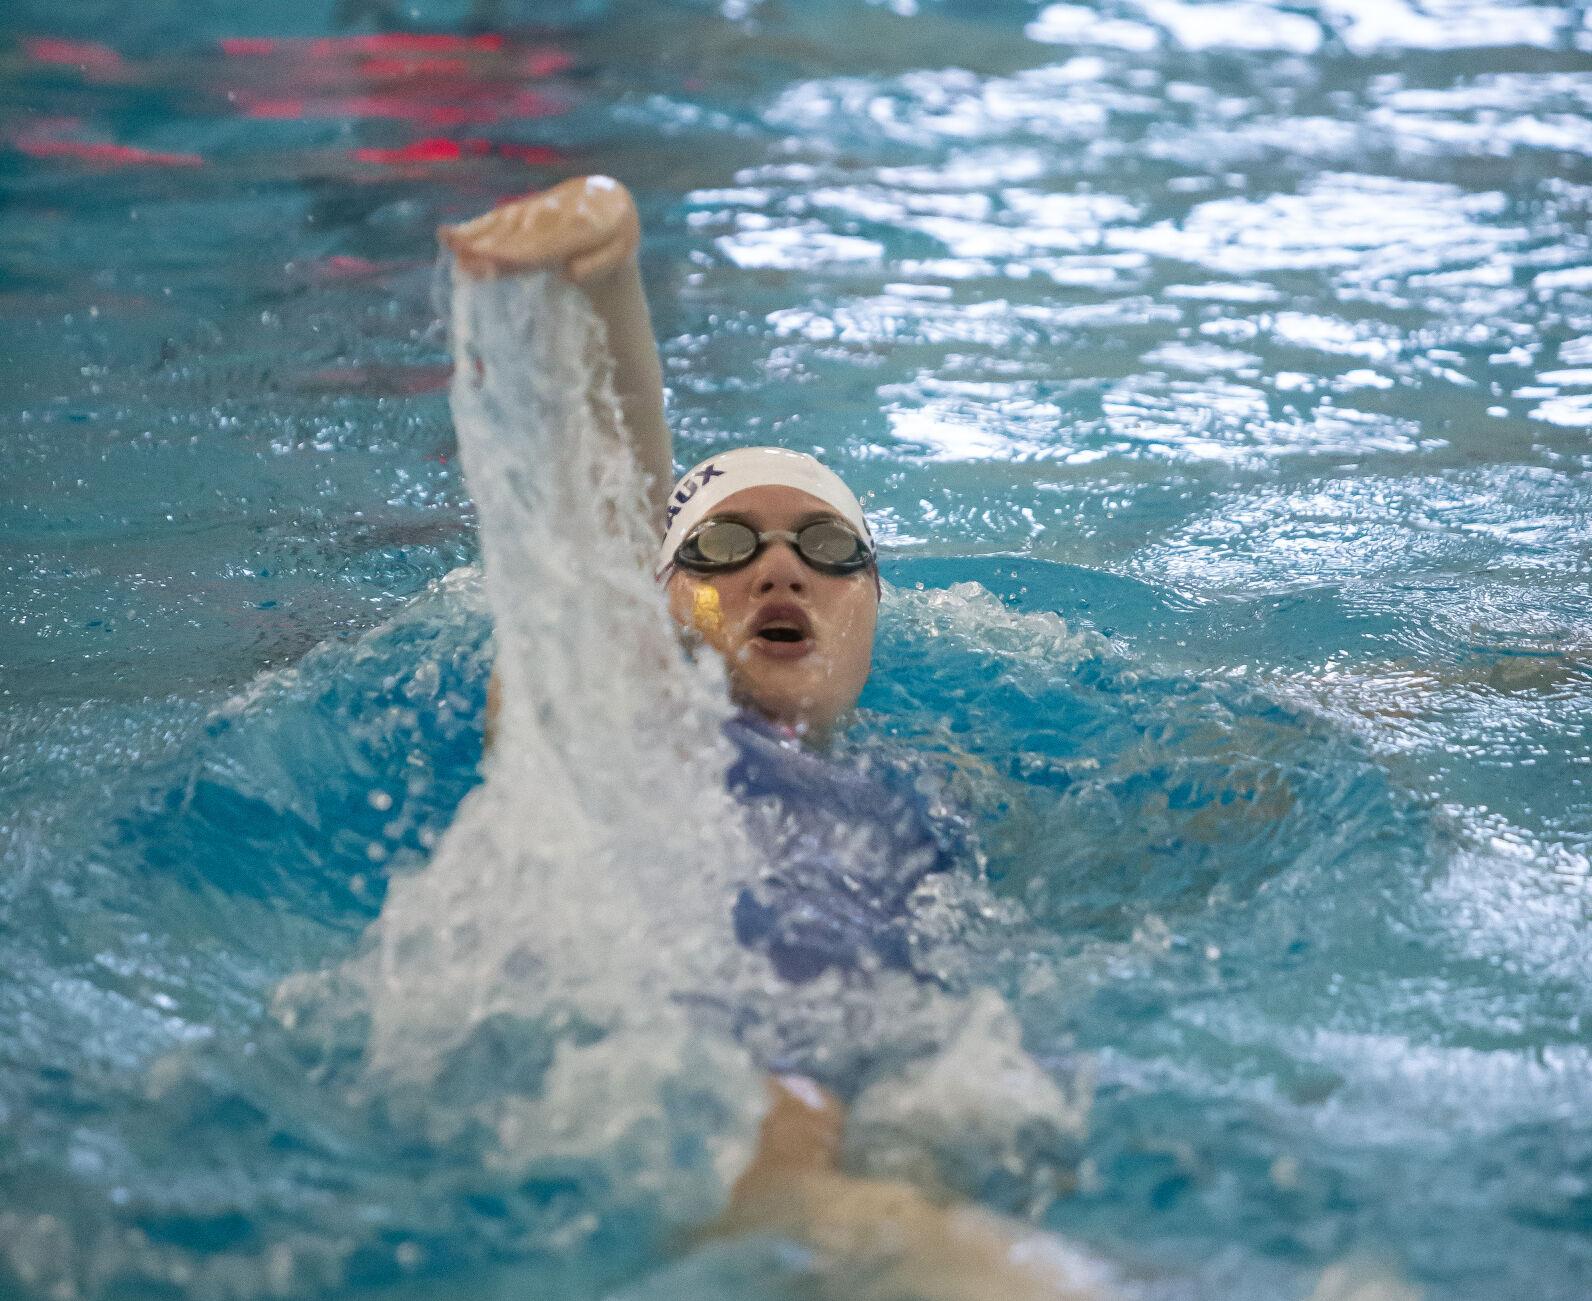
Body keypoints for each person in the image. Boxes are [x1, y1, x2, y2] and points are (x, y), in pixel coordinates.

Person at [440, 176, 1112, 1300]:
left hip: (917, 1078)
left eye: (824, 546)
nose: (778, 565)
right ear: (662, 605)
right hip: (724, 1092)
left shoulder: (937, 789)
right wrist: (606, 279)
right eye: (721, 548)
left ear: (873, 605)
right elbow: (598, 531)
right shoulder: (644, 732)